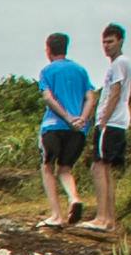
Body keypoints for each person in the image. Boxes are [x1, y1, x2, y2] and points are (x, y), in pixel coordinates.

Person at [35, 29, 95, 226]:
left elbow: (48, 98)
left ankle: (57, 215)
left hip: (54, 125)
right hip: (78, 130)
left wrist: (67, 117)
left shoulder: (47, 71)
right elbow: (90, 97)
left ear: (49, 50)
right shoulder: (81, 70)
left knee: (47, 167)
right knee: (65, 169)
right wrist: (82, 119)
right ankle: (74, 197)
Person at [88, 24, 131, 220]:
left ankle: (102, 217)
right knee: (104, 169)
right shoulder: (117, 64)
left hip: (111, 122)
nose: (106, 46)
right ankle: (109, 219)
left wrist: (103, 120)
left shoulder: (119, 64)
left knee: (99, 167)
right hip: (114, 122)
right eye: (104, 42)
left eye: (110, 41)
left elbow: (115, 93)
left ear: (120, 41)